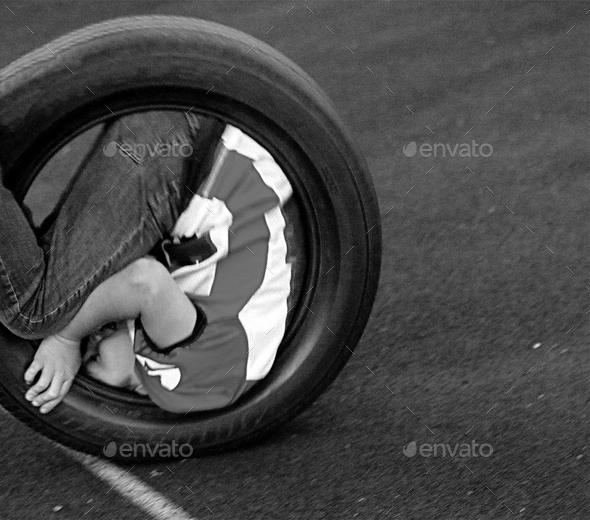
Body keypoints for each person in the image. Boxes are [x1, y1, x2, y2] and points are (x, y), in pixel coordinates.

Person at [0, 111, 292, 413]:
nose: (96, 337)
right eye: (95, 357)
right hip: (195, 157)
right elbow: (145, 283)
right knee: (35, 314)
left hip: (212, 132)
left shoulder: (244, 347)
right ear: (138, 385)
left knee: (55, 283)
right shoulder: (187, 383)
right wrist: (66, 337)